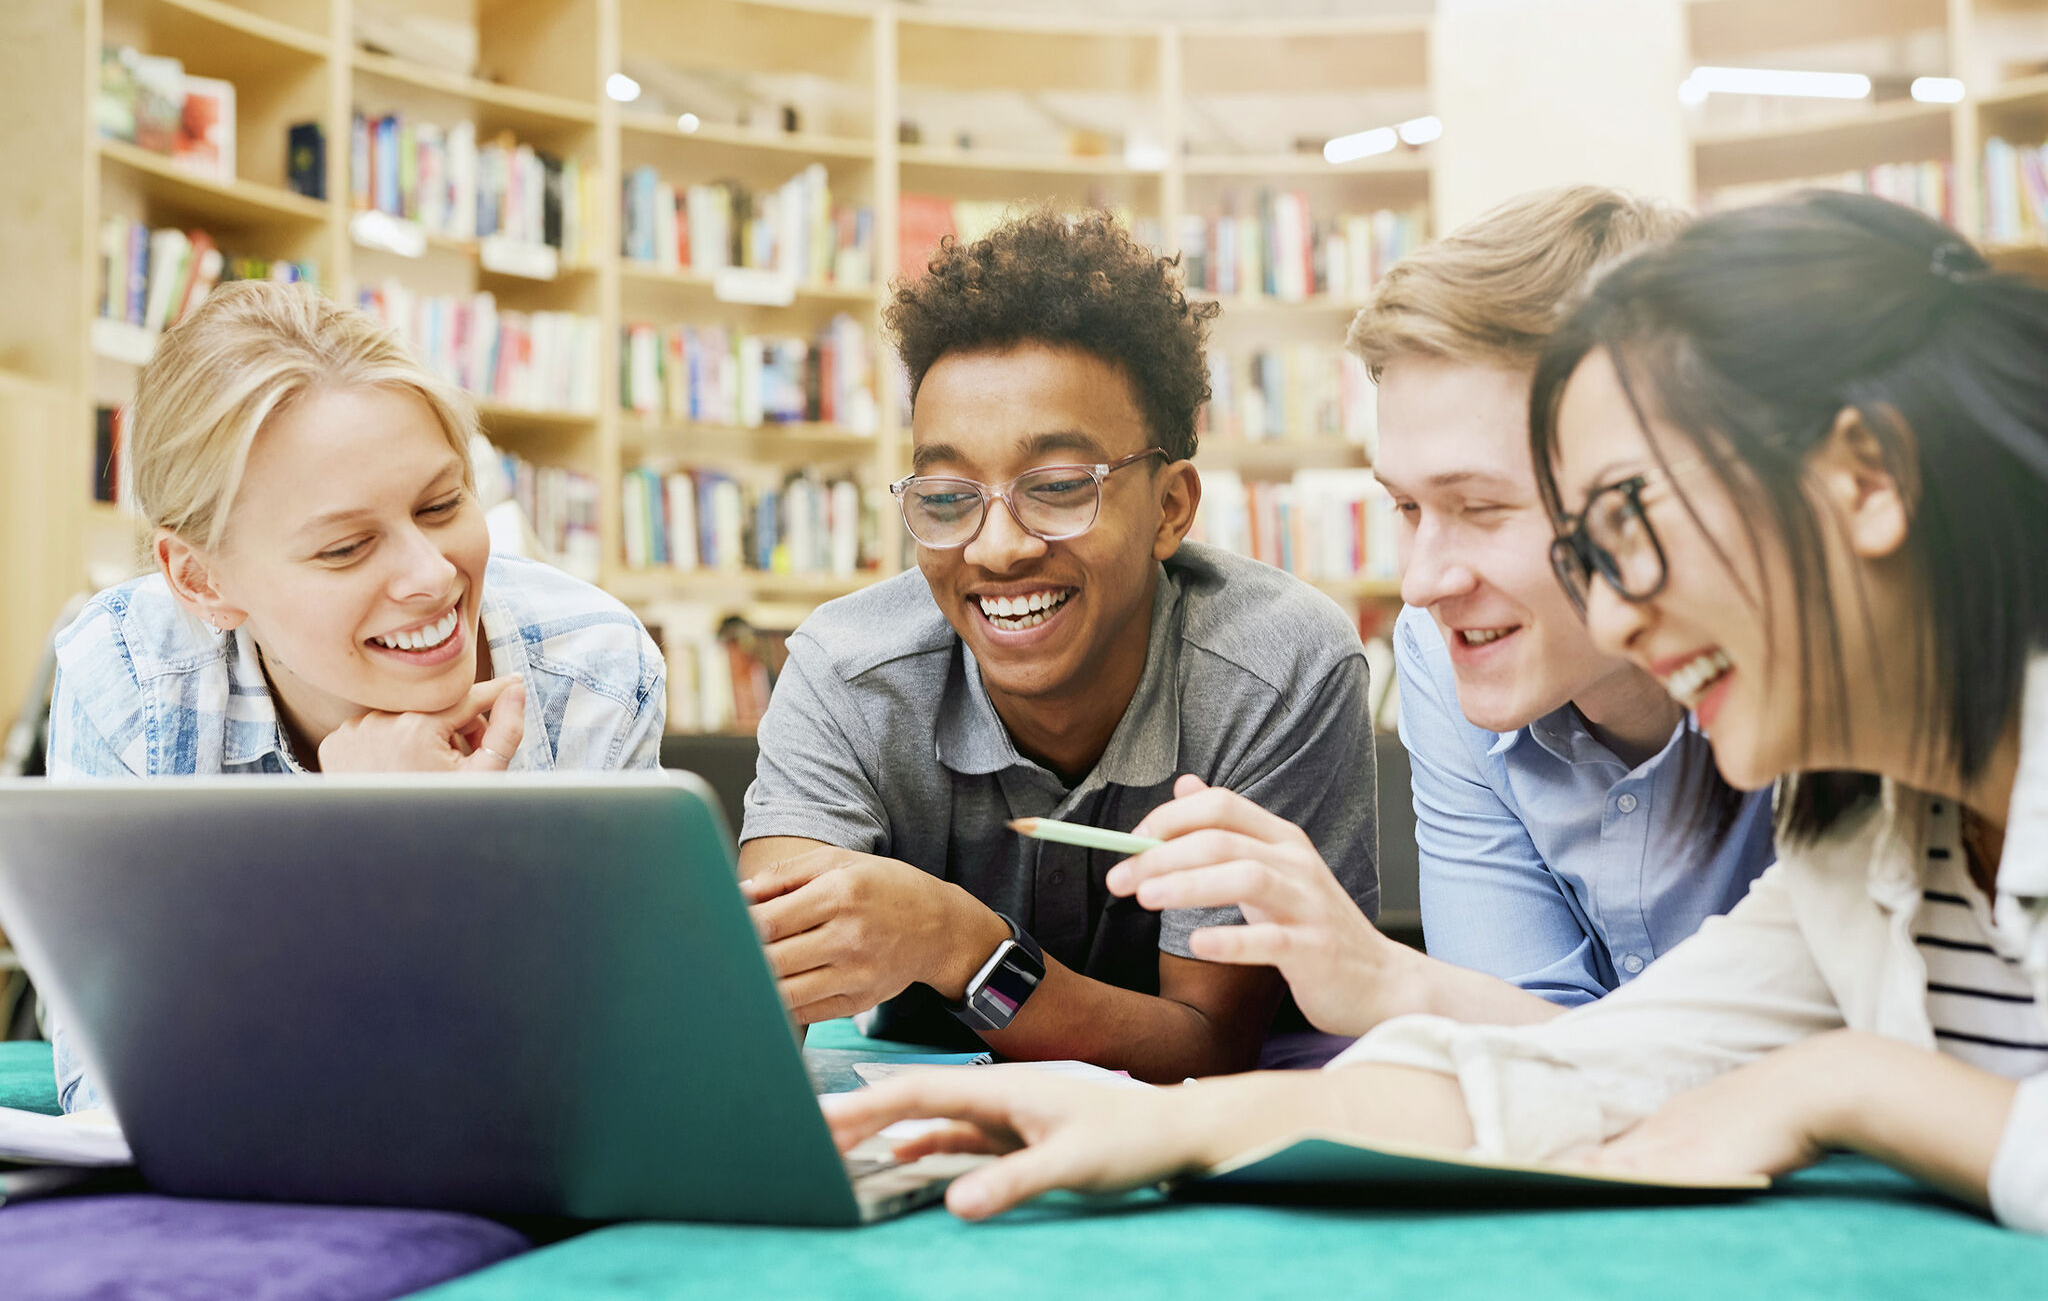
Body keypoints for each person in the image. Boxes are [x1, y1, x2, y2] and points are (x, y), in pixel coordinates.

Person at [823, 193, 2048, 1235]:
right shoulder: (1860, 837)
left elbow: (1762, 1078)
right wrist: (1155, 1123)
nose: (1617, 610)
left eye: (1628, 521)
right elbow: (1581, 1071)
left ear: (1864, 481)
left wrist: (1849, 1086)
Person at [1098, 187, 1773, 1046]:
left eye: (1482, 507)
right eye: (1408, 508)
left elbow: (1838, 1066)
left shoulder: (1821, 685)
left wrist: (1390, 982)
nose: (1419, 585)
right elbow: (1530, 1050)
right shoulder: (1440, 651)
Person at [737, 208, 1378, 1083]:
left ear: (1170, 509)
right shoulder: (847, 672)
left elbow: (1206, 1048)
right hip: (934, 1124)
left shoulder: (1278, 671)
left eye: (1060, 486)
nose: (998, 548)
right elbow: (756, 1012)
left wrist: (956, 942)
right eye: (948, 494)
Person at [46, 280, 666, 1109]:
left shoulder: (592, 668)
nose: (432, 574)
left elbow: (611, 1071)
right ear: (199, 580)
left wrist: (437, 856)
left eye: (442, 504)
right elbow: (117, 1093)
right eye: (345, 548)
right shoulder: (128, 679)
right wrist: (365, 852)